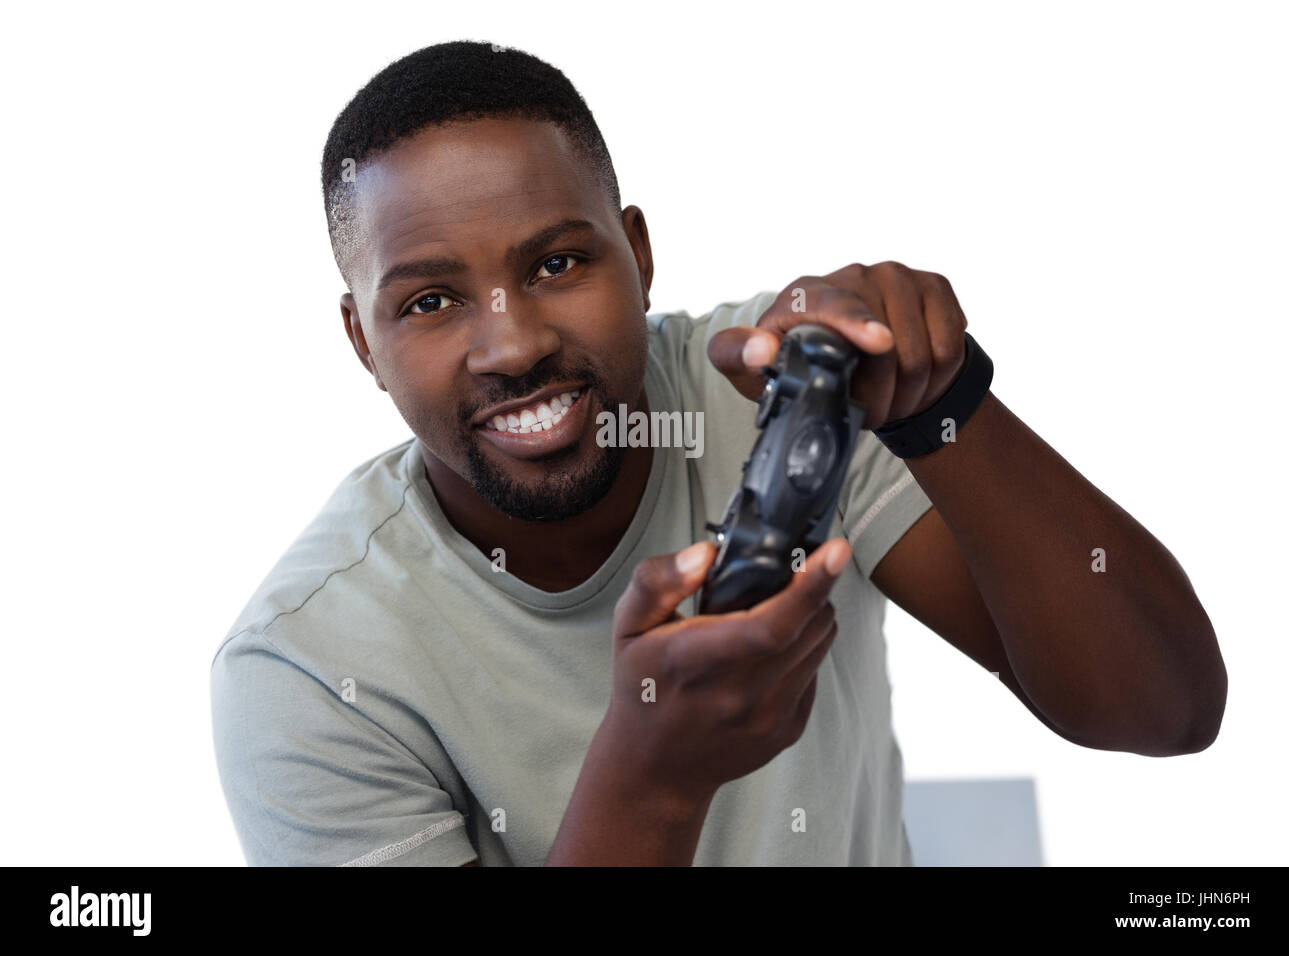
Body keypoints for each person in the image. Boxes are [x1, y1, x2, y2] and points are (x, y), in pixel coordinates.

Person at [209, 40, 1227, 867]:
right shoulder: (304, 667)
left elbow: (1162, 709)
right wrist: (653, 772)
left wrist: (938, 406)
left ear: (638, 255)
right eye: (430, 300)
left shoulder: (782, 394)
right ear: (362, 342)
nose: (512, 343)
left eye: (559, 262)